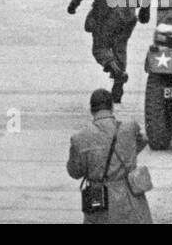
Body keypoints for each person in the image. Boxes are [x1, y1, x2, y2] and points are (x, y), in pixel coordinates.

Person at [66, 88, 153, 224]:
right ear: (111, 107)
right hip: (131, 201)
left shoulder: (80, 138)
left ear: (92, 110)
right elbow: (143, 141)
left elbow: (75, 172)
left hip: (99, 204)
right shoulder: (130, 128)